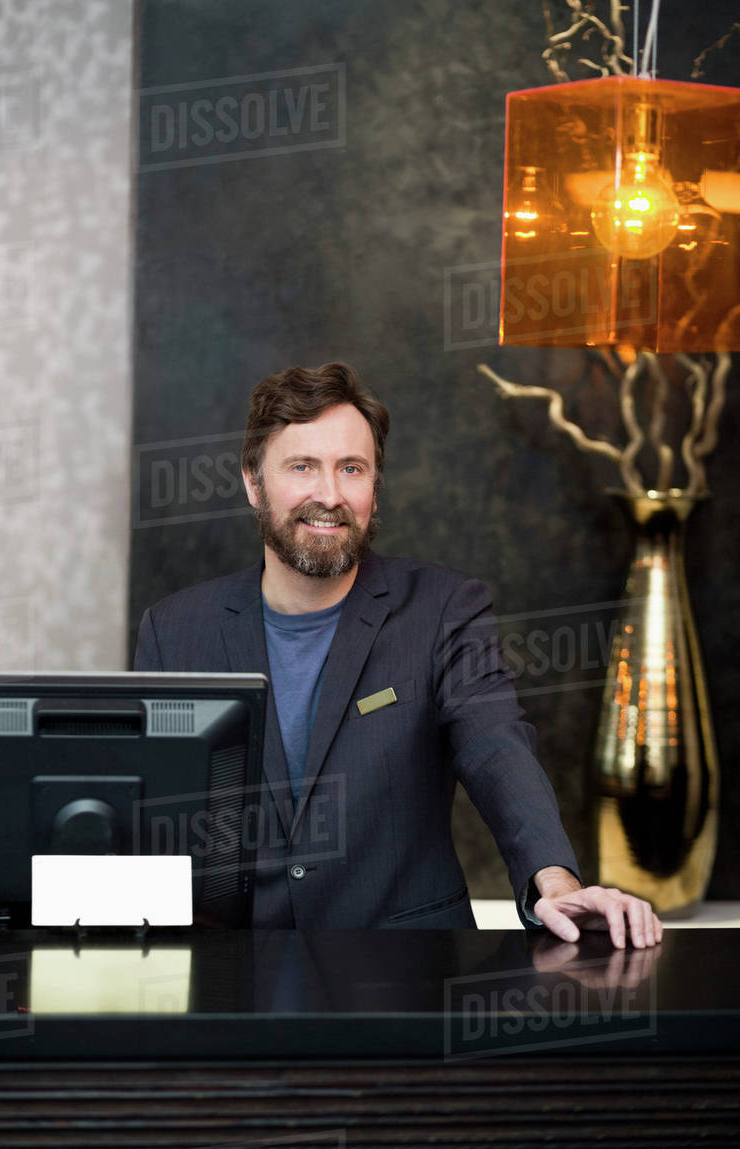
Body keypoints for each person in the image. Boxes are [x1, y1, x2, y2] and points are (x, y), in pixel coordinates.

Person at [135, 362, 662, 949]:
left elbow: (496, 746)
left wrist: (555, 881)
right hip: (233, 972)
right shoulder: (174, 630)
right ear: (254, 484)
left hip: (408, 967)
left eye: (351, 468)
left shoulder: (445, 609)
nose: (329, 495)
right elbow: (147, 814)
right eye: (302, 466)